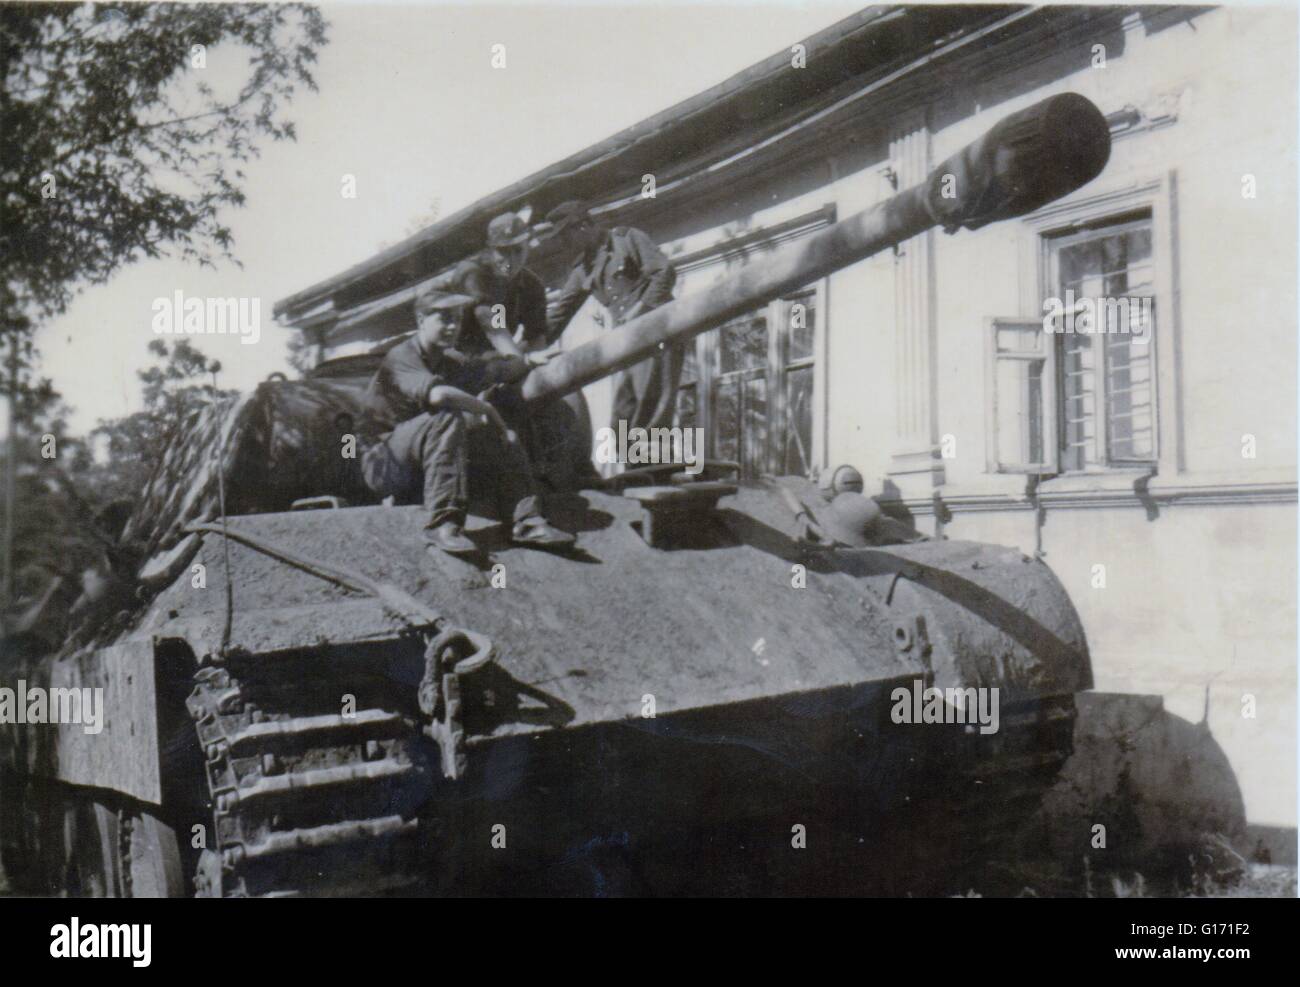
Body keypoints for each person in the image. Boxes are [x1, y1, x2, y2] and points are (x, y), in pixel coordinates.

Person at [361, 288, 574, 555]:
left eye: (457, 319)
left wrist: (529, 360)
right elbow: (438, 395)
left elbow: (493, 371)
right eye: (444, 319)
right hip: (383, 462)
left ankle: (526, 522)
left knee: (497, 431)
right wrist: (487, 410)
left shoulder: (451, 361)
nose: (453, 326)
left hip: (423, 458)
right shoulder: (401, 356)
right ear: (420, 321)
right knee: (448, 418)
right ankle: (443, 524)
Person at [542, 201, 682, 432]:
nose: (563, 245)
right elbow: (559, 314)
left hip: (656, 333)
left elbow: (664, 273)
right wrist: (523, 350)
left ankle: (656, 467)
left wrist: (638, 309)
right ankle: (636, 467)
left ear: (582, 227)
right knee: (622, 420)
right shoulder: (583, 268)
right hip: (626, 343)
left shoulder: (627, 239)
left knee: (649, 416)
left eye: (566, 237)